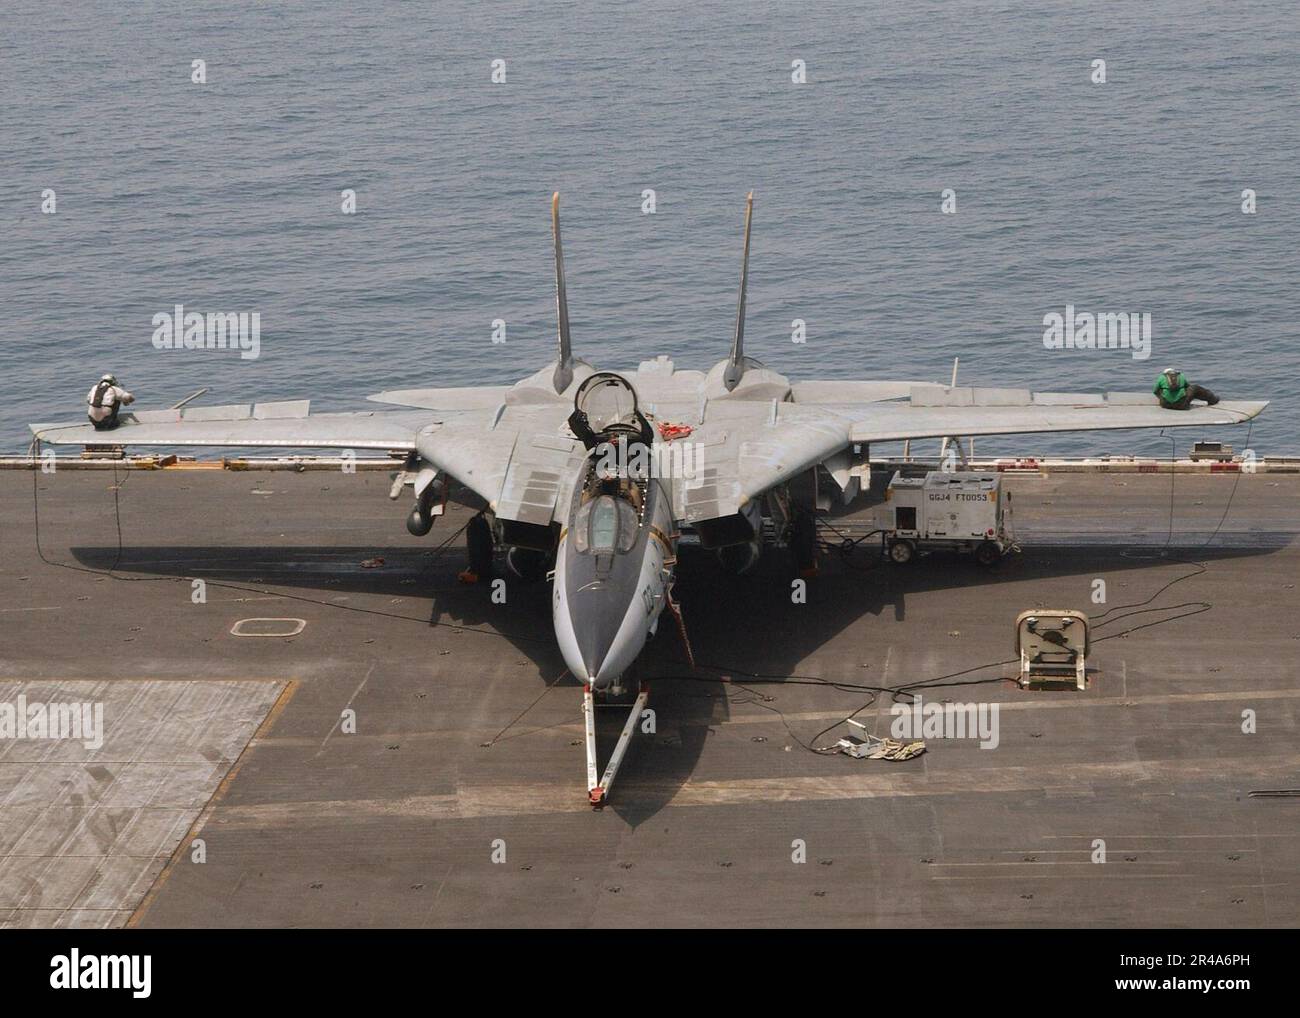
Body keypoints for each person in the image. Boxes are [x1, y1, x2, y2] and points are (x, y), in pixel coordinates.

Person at [1154, 367, 1218, 410]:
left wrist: (1163, 398)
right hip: (1182, 406)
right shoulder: (1181, 376)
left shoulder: (1161, 377)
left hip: (1165, 405)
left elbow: (1155, 391)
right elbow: (1187, 387)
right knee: (1195, 388)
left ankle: (1168, 401)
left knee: (1161, 389)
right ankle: (1213, 400)